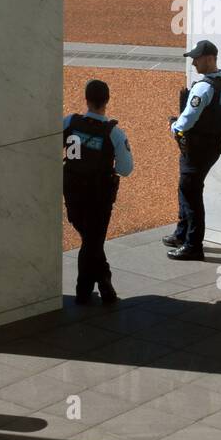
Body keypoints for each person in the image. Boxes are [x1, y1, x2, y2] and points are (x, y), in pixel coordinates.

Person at [63, 79, 133, 304]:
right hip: (98, 197)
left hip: (72, 192)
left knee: (90, 240)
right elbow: (125, 169)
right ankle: (85, 291)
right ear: (107, 100)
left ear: (86, 99)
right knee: (92, 243)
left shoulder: (70, 122)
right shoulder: (114, 133)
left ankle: (104, 286)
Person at [164, 40, 221, 261]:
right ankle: (181, 233)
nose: (193, 62)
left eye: (197, 58)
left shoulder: (204, 87)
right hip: (212, 146)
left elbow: (187, 119)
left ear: (210, 58)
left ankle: (193, 244)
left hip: (197, 148)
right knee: (187, 188)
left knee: (190, 192)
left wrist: (174, 127)